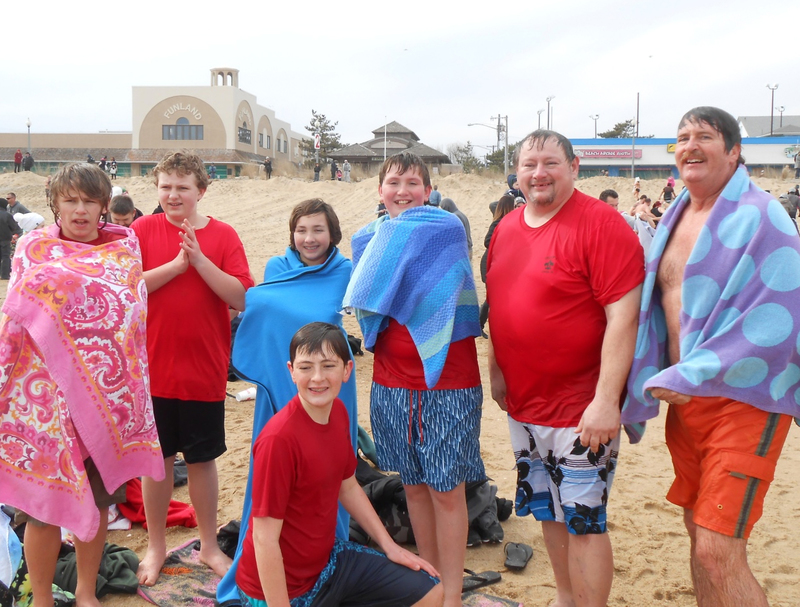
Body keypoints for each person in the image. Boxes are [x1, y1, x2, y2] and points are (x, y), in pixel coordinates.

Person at [622, 106, 800, 607]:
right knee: (697, 533)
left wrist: (695, 371)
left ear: (734, 151)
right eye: (682, 137)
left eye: (705, 135)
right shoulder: (675, 216)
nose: (690, 145)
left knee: (718, 551)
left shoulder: (762, 216)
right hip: (686, 400)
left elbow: (780, 317)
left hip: (743, 400)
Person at [486, 129, 644, 607]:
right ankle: (565, 598)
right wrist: (496, 369)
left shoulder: (601, 224)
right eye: (529, 164)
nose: (539, 173)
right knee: (548, 512)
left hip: (580, 410)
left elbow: (624, 317)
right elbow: (500, 303)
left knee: (584, 519)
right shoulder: (507, 228)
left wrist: (606, 400)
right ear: (516, 172)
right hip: (524, 404)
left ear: (574, 167)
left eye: (550, 163)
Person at [0, 162, 164, 607]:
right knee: (43, 510)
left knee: (97, 504)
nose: (80, 210)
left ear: (104, 205)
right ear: (55, 203)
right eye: (70, 200)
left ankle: (87, 593)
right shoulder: (33, 249)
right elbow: (17, 325)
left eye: (90, 201)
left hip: (106, 402)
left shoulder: (124, 250)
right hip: (46, 403)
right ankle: (42, 599)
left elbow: (130, 322)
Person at [344, 151, 484, 607]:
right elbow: (365, 302)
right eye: (393, 182)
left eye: (412, 183)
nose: (402, 191)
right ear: (379, 190)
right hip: (391, 382)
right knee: (414, 487)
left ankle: (453, 593)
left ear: (428, 190)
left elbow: (441, 295)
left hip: (447, 382)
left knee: (447, 490)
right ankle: (433, 583)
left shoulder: (445, 228)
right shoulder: (368, 239)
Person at [234, 322, 442, 607]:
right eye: (306, 367)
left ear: (347, 370)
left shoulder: (340, 413)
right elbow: (264, 539)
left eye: (328, 366)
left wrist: (389, 545)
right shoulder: (278, 441)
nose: (317, 378)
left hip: (327, 564)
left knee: (432, 591)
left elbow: (348, 486)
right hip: (278, 590)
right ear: (291, 371)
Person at [215, 199, 359, 605]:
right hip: (282, 384)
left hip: (332, 386)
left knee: (331, 471)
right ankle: (268, 566)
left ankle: (330, 558)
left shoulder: (346, 271)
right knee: (273, 478)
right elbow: (260, 312)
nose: (309, 238)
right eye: (301, 230)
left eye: (318, 230)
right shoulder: (277, 268)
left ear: (332, 233)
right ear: (292, 234)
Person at [132, 151, 255, 586]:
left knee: (202, 459)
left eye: (182, 187)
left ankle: (208, 545)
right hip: (153, 370)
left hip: (204, 369)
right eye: (165, 186)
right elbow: (127, 287)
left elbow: (241, 297)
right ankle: (155, 545)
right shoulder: (141, 230)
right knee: (157, 462)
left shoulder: (223, 234)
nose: (172, 195)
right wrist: (175, 266)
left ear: (201, 191)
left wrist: (200, 261)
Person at [479, 195, 515, 335]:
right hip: (489, 264)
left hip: (496, 264)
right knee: (491, 299)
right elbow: (487, 241)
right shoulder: (498, 223)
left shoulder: (506, 222)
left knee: (495, 298)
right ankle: (480, 325)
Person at [0, 198, 22, 280]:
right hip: (5, 239)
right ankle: (4, 275)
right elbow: (13, 227)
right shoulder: (7, 215)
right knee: (5, 256)